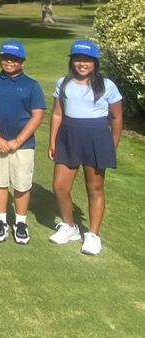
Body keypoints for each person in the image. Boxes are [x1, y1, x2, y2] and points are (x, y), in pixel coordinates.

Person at [48, 40, 122, 256]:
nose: (82, 64)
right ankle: (70, 227)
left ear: (95, 63)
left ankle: (93, 235)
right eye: (78, 59)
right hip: (68, 136)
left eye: (87, 60)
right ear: (72, 61)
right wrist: (52, 140)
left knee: (94, 188)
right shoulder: (63, 83)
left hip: (96, 137)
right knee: (60, 186)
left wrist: (112, 145)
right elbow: (57, 113)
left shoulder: (107, 85)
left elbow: (117, 118)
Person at [0, 41, 45, 244]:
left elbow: (37, 116)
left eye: (14, 59)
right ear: (0, 59)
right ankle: (1, 221)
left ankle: (21, 223)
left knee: (21, 183)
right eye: (5, 57)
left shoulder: (32, 85)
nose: (9, 61)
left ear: (22, 62)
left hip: (22, 144)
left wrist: (18, 140)